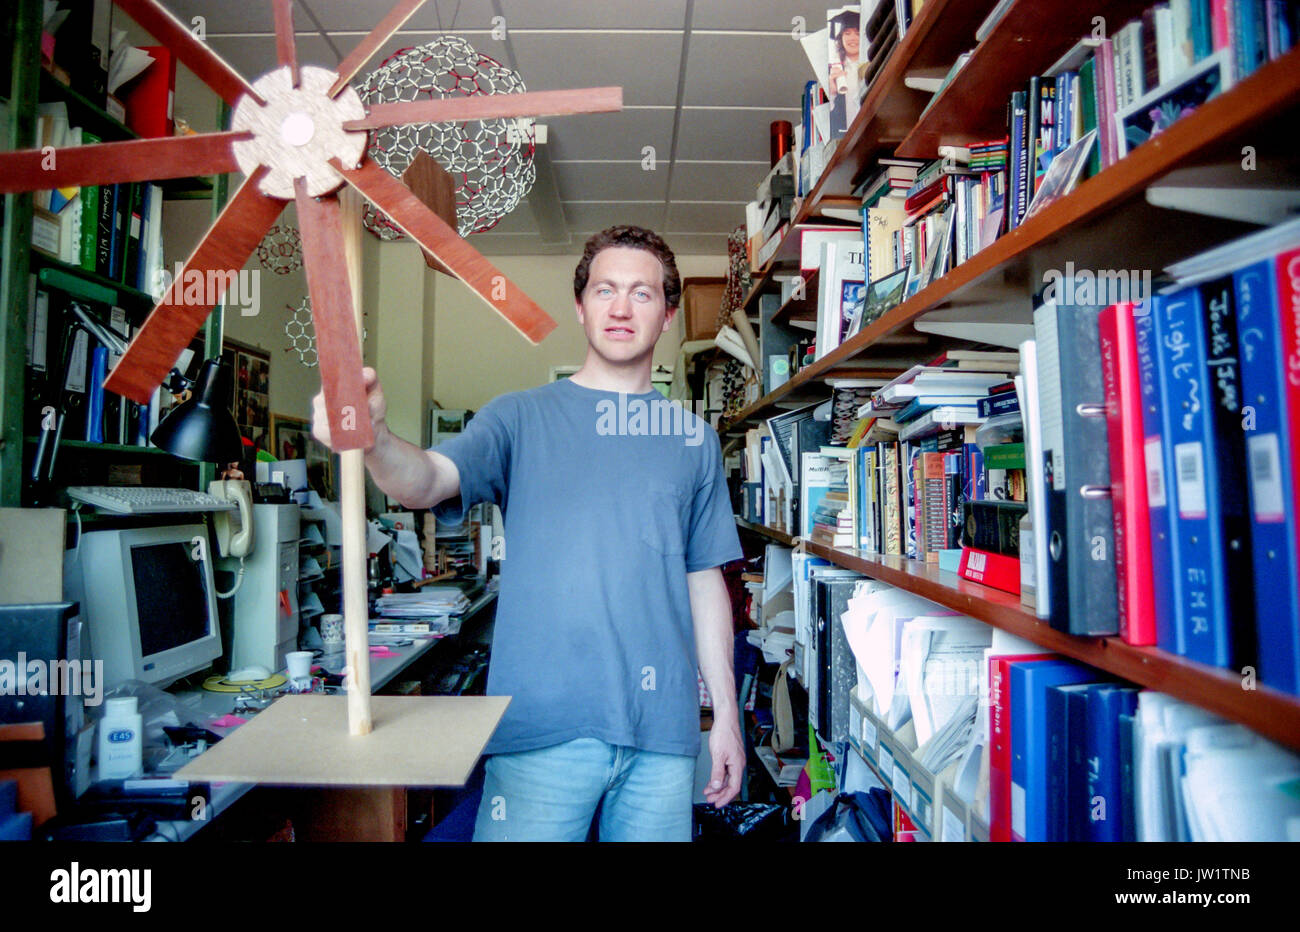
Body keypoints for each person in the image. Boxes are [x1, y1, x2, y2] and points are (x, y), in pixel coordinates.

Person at [311, 226, 745, 841]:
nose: (621, 308)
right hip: (540, 732)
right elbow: (427, 480)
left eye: (643, 294)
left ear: (669, 314)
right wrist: (375, 440)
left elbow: (705, 584)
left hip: (662, 737)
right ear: (580, 305)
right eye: (605, 290)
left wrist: (726, 714)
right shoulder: (519, 418)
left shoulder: (693, 442)